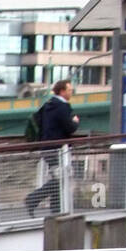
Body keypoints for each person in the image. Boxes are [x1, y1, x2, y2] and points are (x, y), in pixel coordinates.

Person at [26, 80, 81, 217]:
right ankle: (33, 199)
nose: (71, 92)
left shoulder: (48, 105)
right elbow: (69, 128)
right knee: (60, 177)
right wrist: (75, 122)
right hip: (58, 149)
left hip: (46, 146)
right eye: (69, 90)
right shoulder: (62, 107)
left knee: (59, 178)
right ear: (62, 91)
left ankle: (55, 209)